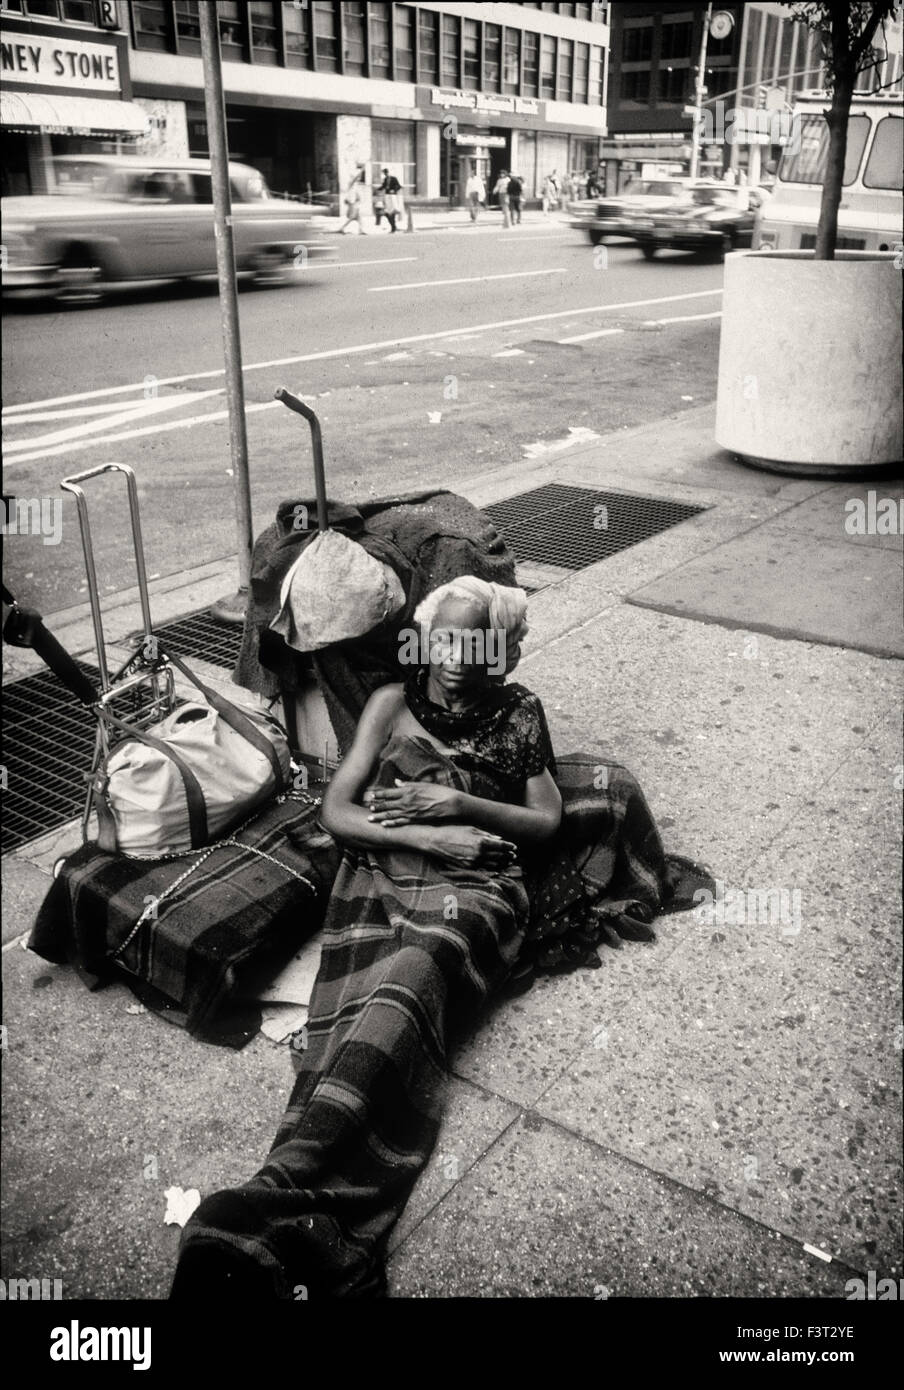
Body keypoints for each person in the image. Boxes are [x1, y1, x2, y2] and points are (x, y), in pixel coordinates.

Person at [171, 576, 713, 1299]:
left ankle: (297, 1200)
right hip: (393, 870)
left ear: (497, 650)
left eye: (475, 641)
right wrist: (434, 835)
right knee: (377, 990)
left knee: (414, 975)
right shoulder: (392, 704)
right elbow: (338, 810)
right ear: (425, 641)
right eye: (445, 639)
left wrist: (460, 804)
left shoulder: (518, 713)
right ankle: (284, 1200)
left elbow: (545, 821)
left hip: (486, 883)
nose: (457, 656)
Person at [337, 166, 368, 235]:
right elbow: (355, 179)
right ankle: (343, 228)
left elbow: (357, 195)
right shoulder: (351, 184)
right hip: (352, 203)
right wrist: (361, 171)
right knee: (352, 217)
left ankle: (361, 230)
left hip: (355, 203)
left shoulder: (355, 185)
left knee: (359, 218)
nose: (358, 178)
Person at [378, 166, 403, 233]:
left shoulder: (394, 178)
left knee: (393, 211)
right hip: (387, 196)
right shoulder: (385, 179)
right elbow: (383, 186)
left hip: (393, 197)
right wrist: (378, 189)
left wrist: (394, 190)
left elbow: (399, 186)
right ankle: (393, 226)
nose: (386, 174)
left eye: (386, 172)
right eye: (384, 173)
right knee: (387, 212)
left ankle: (393, 227)